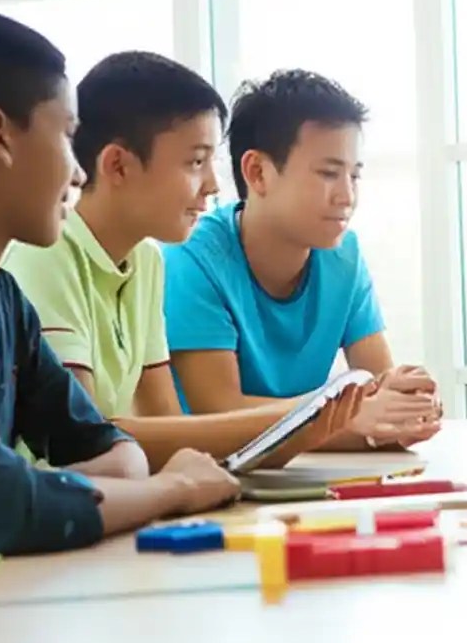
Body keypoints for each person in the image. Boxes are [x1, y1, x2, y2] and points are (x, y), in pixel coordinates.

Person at [0, 7, 240, 643]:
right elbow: (8, 509)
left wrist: (44, 494)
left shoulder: (6, 302)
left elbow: (113, 451)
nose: (78, 172)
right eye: (68, 136)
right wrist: (175, 492)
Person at [0, 52, 378, 471]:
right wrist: (314, 415)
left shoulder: (145, 260)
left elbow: (167, 426)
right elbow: (87, 439)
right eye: (196, 162)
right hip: (55, 519)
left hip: (115, 499)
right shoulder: (47, 256)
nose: (214, 185)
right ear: (118, 166)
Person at [162, 70, 440, 448]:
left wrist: (408, 400)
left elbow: (378, 387)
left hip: (304, 470)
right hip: (215, 476)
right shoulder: (192, 257)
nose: (346, 196)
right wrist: (358, 421)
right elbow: (221, 411)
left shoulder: (343, 254)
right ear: (257, 173)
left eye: (354, 176)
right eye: (328, 173)